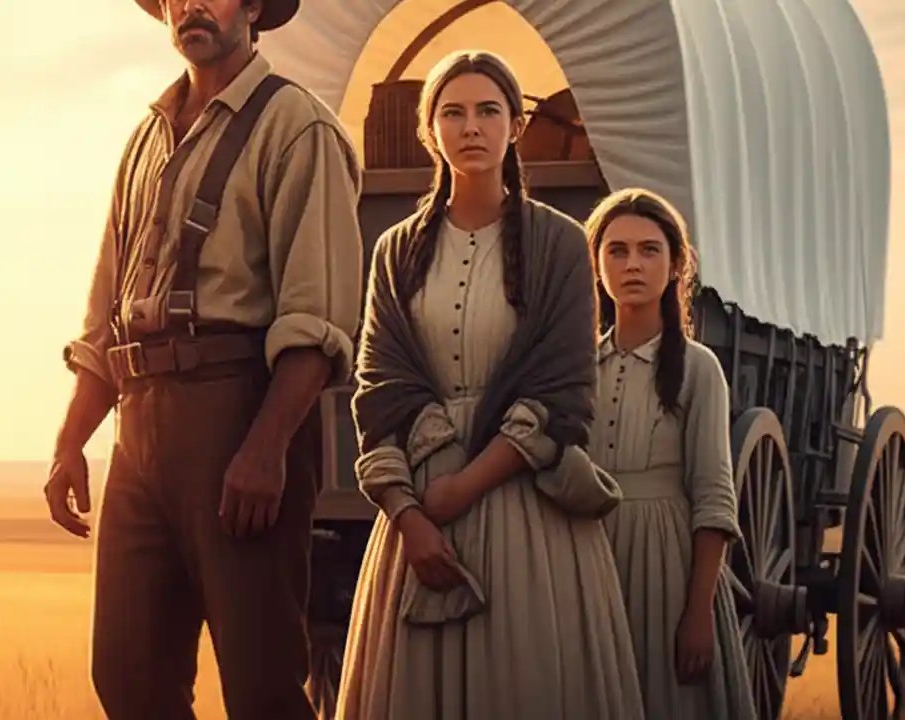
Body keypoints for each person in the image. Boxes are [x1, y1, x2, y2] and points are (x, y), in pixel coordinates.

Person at [42, 0, 364, 717]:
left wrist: (265, 448)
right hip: (140, 427)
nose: (191, 5)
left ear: (252, 6)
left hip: (240, 409)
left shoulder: (297, 127)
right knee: (128, 677)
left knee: (261, 687)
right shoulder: (145, 139)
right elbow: (108, 310)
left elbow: (317, 315)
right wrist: (72, 441)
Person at [335, 49, 644, 720]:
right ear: (430, 132)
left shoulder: (561, 244)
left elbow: (563, 390)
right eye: (453, 112)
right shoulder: (394, 250)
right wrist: (412, 518)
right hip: (418, 514)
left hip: (525, 515)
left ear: (515, 125)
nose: (470, 127)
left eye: (487, 111)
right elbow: (377, 391)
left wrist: (462, 489)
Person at [585, 187, 756, 720]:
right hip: (588, 561)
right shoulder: (578, 368)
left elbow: (712, 494)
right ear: (596, 264)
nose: (632, 264)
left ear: (676, 263)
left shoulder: (699, 369)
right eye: (616, 250)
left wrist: (698, 611)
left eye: (649, 249)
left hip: (667, 566)